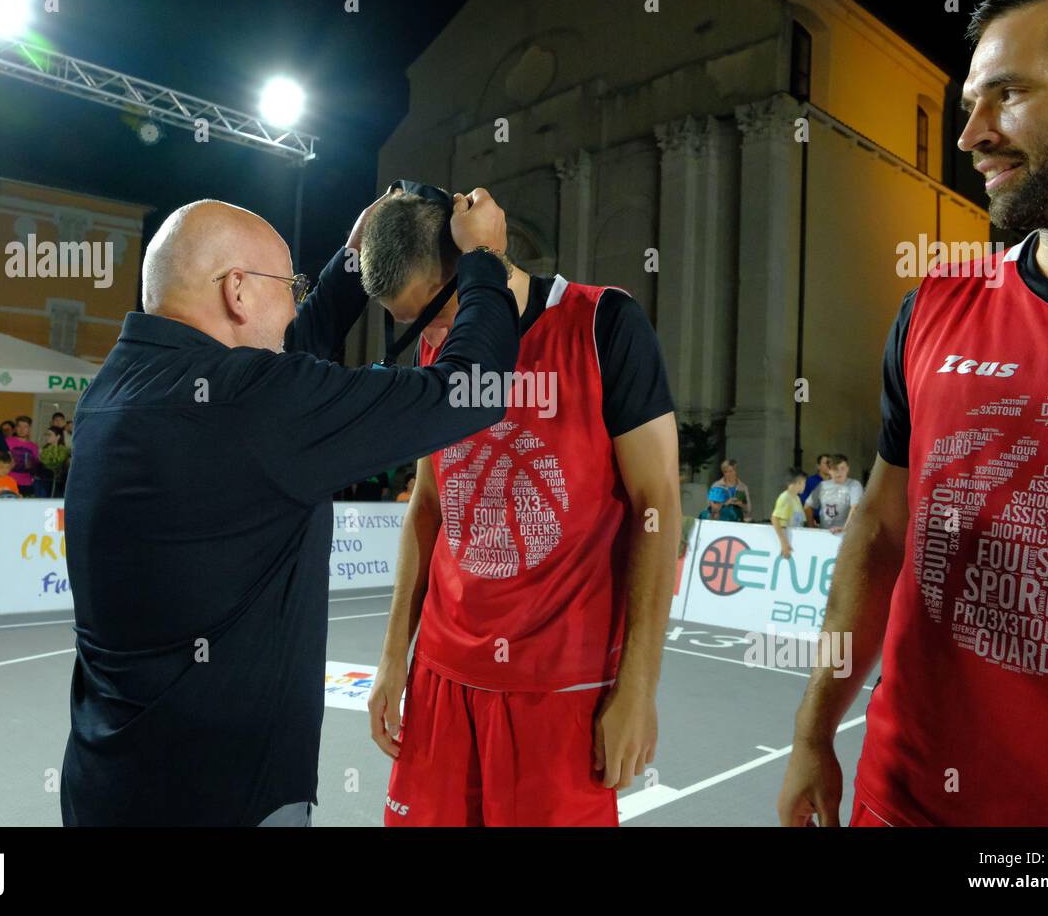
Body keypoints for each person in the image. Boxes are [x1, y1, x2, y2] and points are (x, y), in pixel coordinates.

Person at [780, 0, 1048, 828]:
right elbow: (880, 531)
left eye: (1007, 95)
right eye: (967, 107)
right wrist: (812, 732)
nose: (969, 135)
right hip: (899, 804)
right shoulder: (933, 308)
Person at [60, 188, 520, 827]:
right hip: (227, 796)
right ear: (238, 291)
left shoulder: (116, 387)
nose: (295, 303)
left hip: (108, 780)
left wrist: (353, 261)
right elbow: (473, 389)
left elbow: (291, 356)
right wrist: (483, 262)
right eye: (289, 285)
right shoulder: (248, 404)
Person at [363, 182, 679, 826]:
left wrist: (638, 688)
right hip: (444, 675)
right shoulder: (438, 346)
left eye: (441, 315)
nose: (441, 338)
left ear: (477, 263)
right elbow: (430, 503)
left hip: (560, 689)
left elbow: (659, 505)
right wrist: (396, 654)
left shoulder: (604, 325)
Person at [803, 454, 862, 533]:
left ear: (848, 469)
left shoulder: (854, 485)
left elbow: (856, 508)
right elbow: (808, 506)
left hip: (846, 535)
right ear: (829, 471)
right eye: (835, 469)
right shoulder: (822, 486)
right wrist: (812, 529)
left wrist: (845, 529)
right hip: (824, 534)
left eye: (842, 468)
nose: (839, 472)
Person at [771, 468, 807, 559]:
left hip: (796, 539)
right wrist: (784, 542)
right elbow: (775, 518)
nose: (805, 486)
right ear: (799, 482)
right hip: (788, 540)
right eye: (804, 483)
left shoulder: (797, 498)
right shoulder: (785, 497)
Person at [6, 416, 40, 496]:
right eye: (19, 426)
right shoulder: (7, 441)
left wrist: (32, 466)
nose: (22, 429)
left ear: (29, 429)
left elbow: (36, 468)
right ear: (16, 428)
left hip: (27, 484)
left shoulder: (34, 447)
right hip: (8, 482)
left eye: (25, 427)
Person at [34, 426, 68, 498]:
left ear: (58, 436)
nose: (47, 437)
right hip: (42, 482)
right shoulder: (43, 449)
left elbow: (57, 464)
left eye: (49, 435)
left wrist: (42, 458)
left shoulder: (63, 450)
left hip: (57, 483)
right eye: (46, 434)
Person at [800, 453, 830, 521]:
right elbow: (803, 501)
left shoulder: (835, 483)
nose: (829, 465)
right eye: (826, 463)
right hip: (814, 520)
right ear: (818, 466)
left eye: (831, 463)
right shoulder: (810, 481)